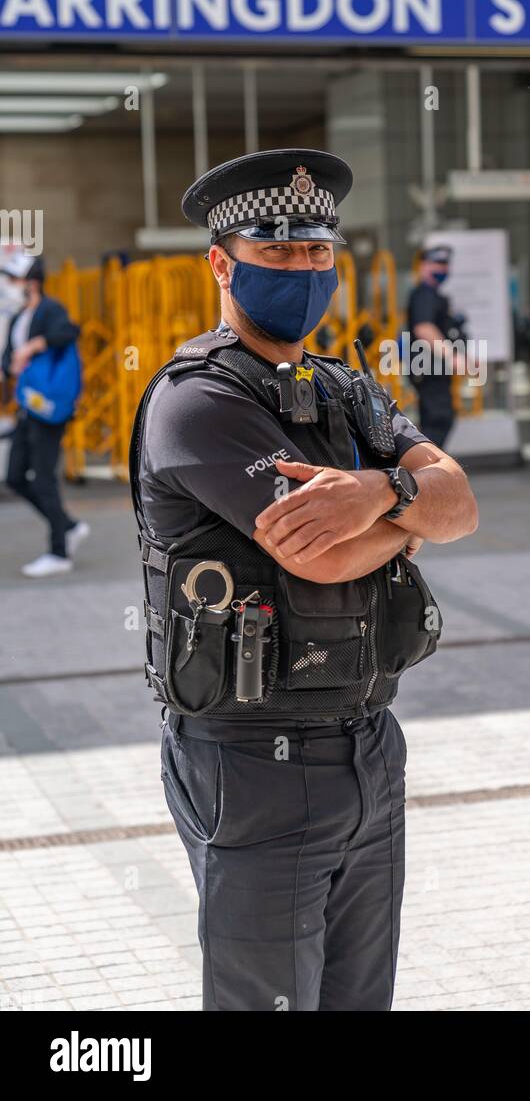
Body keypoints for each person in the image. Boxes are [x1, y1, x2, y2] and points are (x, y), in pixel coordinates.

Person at [131, 148, 478, 1012]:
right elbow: (314, 555)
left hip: (369, 748)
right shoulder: (198, 401)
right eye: (277, 251)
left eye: (319, 252)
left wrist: (378, 493)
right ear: (222, 261)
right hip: (253, 761)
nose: (304, 269)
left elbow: (461, 502)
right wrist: (406, 521)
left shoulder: (343, 389)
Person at [0, 252, 89, 577]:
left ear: (31, 281)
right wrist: (12, 361)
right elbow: (9, 358)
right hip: (28, 405)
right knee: (15, 476)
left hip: (49, 406)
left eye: (13, 279)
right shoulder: (18, 316)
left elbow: (68, 332)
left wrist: (33, 345)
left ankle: (59, 552)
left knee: (43, 476)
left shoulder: (50, 309)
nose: (9, 285)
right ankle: (66, 524)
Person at [406, 245, 466, 448]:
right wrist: (452, 356)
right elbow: (424, 328)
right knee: (439, 419)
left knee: (436, 419)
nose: (441, 269)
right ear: (423, 266)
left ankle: (426, 468)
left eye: (444, 265)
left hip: (435, 369)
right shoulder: (425, 295)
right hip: (429, 368)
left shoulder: (434, 295)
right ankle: (427, 469)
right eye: (436, 264)